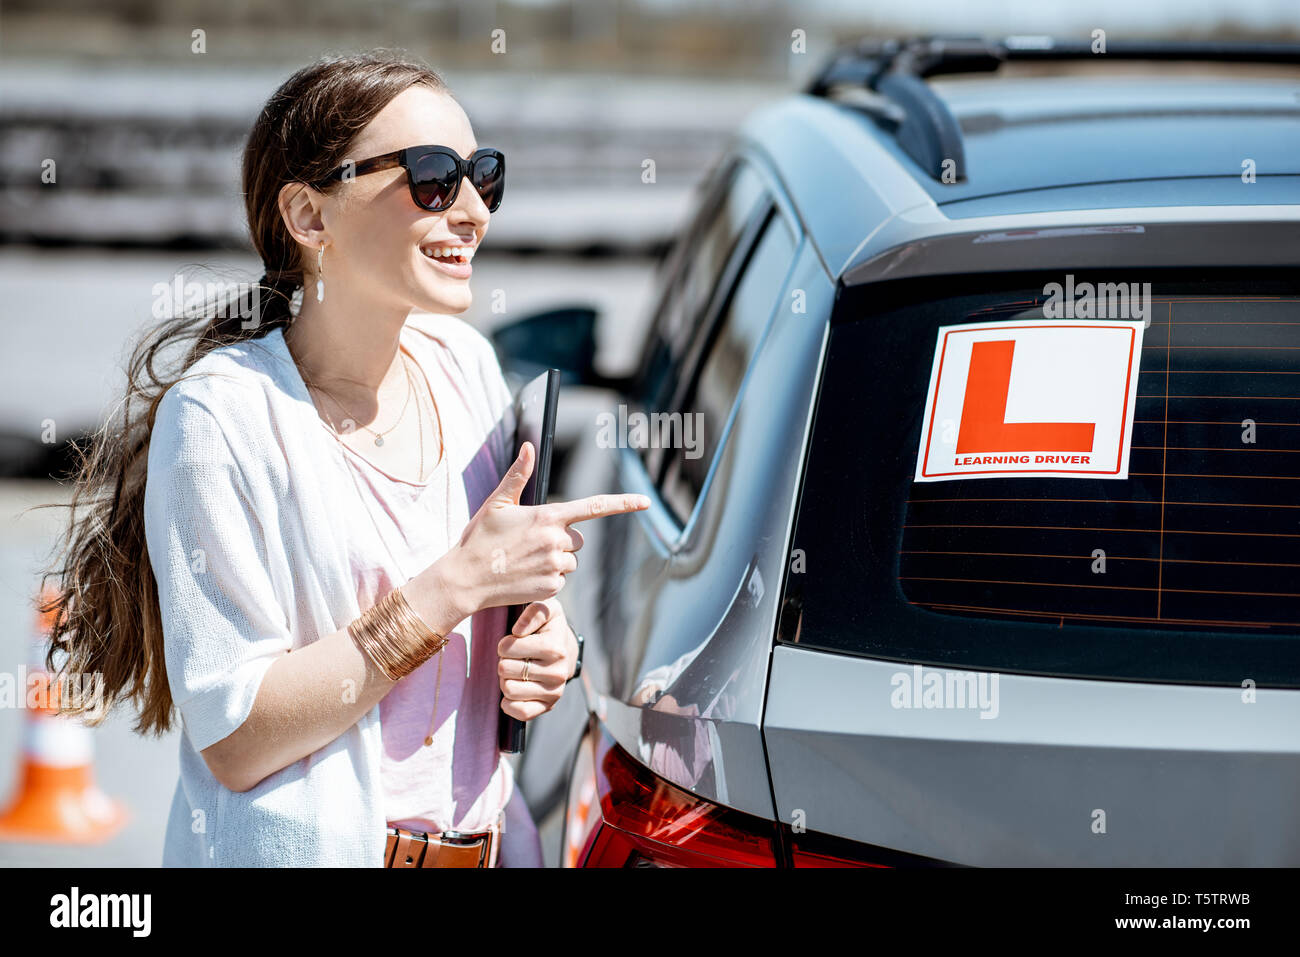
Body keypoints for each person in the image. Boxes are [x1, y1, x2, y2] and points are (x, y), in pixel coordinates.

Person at [36, 50, 649, 867]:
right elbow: (237, 735)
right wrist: (454, 585)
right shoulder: (224, 417)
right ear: (309, 216)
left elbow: (489, 611)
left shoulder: (467, 367)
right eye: (433, 176)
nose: (472, 210)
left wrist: (545, 644)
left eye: (484, 175)